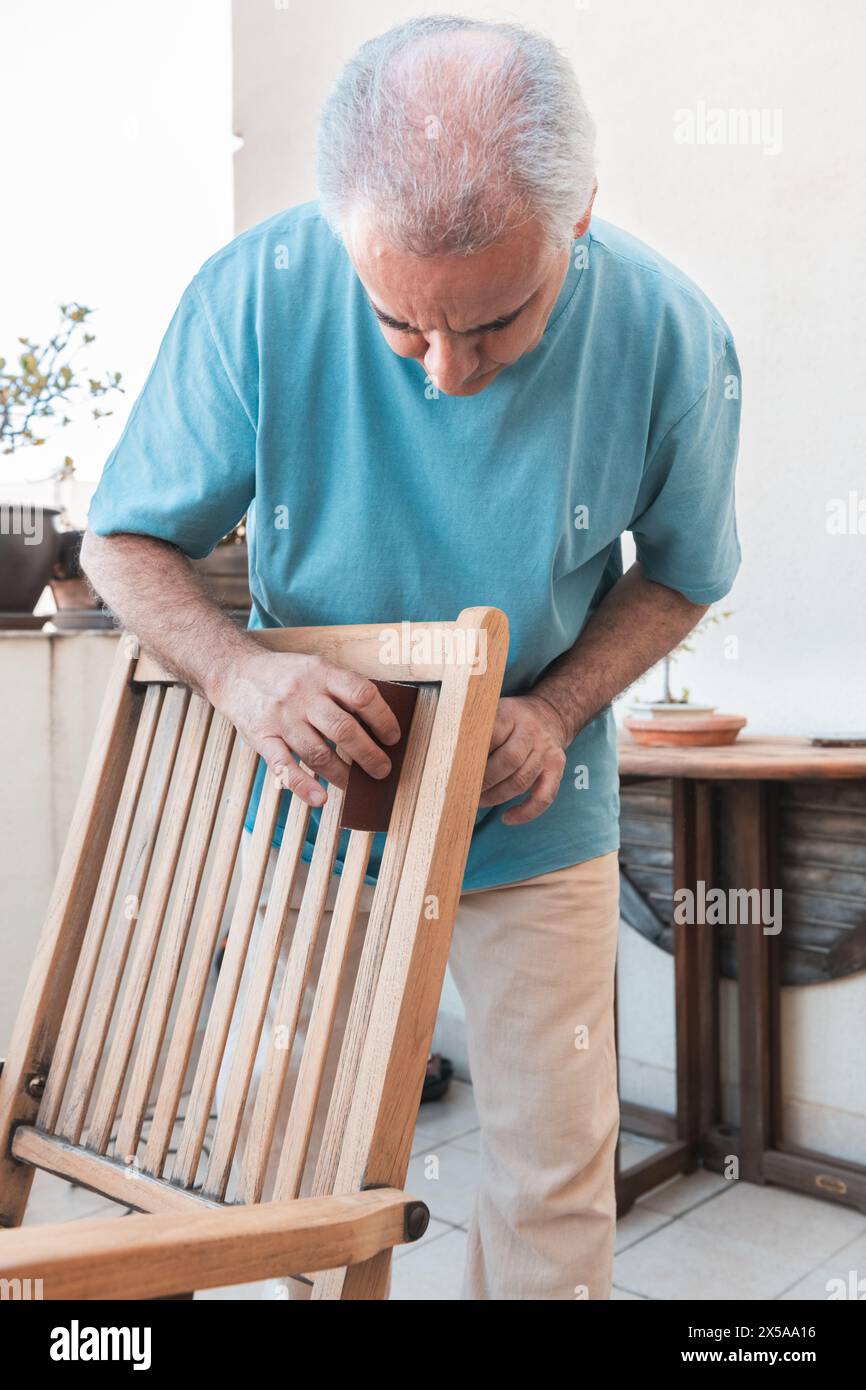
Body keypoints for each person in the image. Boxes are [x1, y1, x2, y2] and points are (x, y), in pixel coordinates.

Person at [82, 15, 741, 1299]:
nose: (445, 370)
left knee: (551, 1178)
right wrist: (238, 673)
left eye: (495, 325)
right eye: (399, 322)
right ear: (342, 231)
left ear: (580, 217)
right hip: (310, 811)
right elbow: (123, 545)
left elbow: (681, 574)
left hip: (535, 812)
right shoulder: (255, 294)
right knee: (294, 1178)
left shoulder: (671, 333)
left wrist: (553, 709)